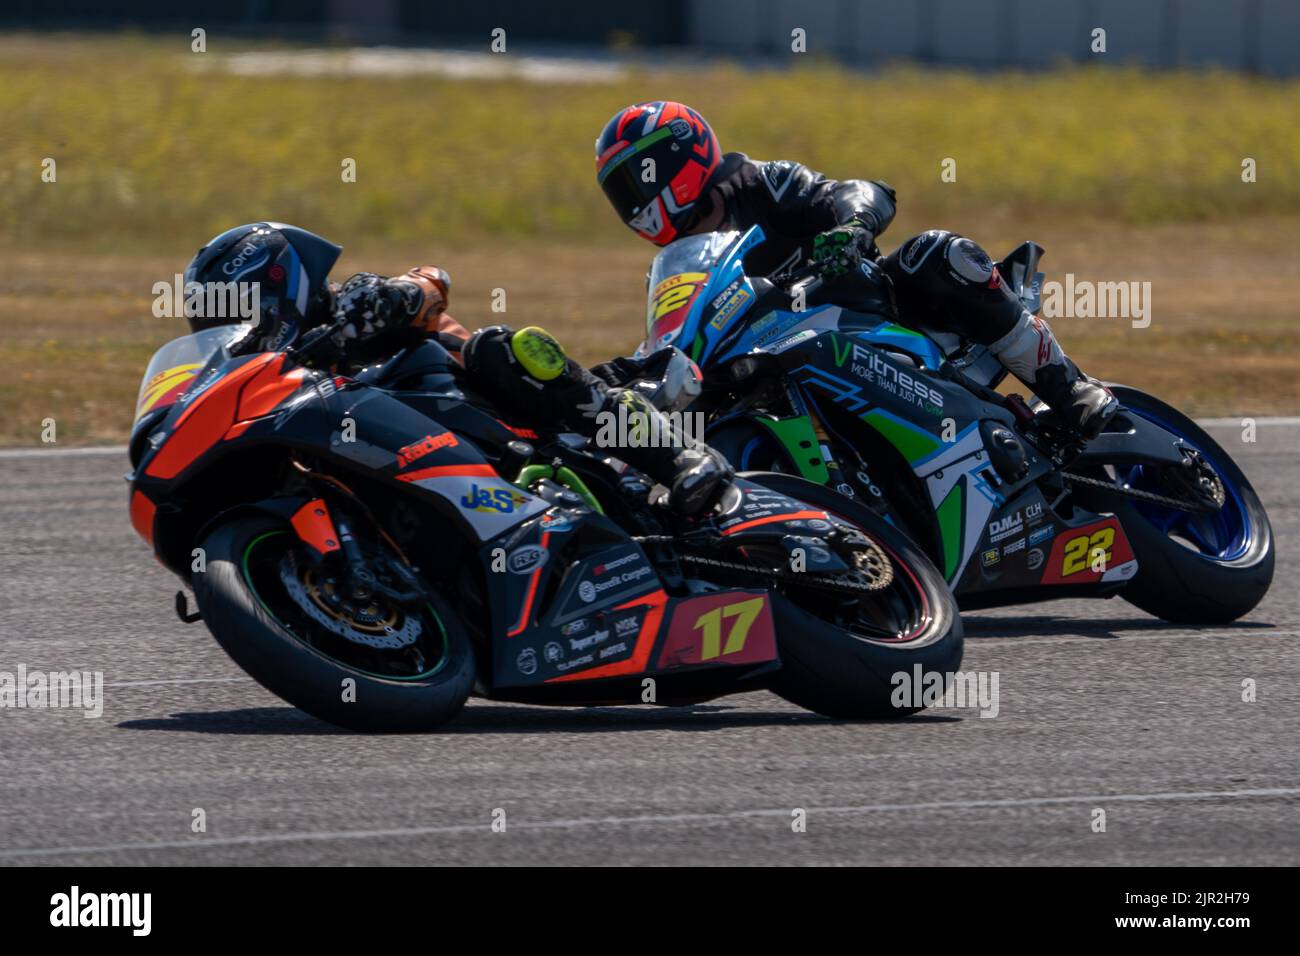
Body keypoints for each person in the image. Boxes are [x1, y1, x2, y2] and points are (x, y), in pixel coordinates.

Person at [594, 101, 1118, 437]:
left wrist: (851, 227)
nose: (632, 201)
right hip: (775, 366)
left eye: (635, 181)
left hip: (871, 317)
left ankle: (1067, 387)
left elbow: (856, 192)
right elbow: (674, 342)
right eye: (620, 192)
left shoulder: (761, 184)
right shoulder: (676, 266)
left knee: (935, 254)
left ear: (677, 161)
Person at [181, 222, 730, 514]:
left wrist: (393, 299)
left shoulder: (352, 305)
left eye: (237, 311)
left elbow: (432, 281)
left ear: (279, 285)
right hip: (413, 473)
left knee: (502, 347)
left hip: (498, 419)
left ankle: (675, 456)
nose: (236, 329)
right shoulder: (276, 385)